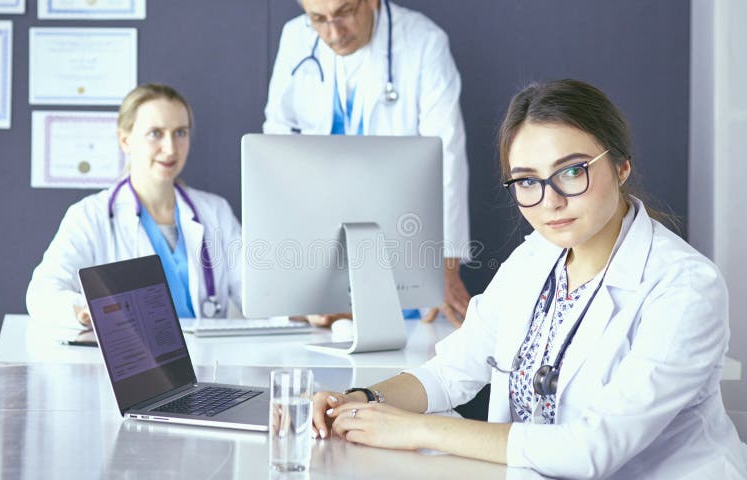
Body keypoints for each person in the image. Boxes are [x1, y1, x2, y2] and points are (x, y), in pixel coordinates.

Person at [309, 79, 747, 479]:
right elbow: (449, 372)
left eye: (572, 171)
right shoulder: (535, 257)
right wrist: (362, 401)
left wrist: (417, 431)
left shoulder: (686, 287)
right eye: (527, 181)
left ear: (621, 166)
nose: (550, 201)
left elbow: (594, 449)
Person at [264, 0, 471, 326]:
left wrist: (443, 266)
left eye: (345, 12)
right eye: (318, 19)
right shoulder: (295, 37)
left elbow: (445, 155)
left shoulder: (423, 41)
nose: (333, 33)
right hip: (320, 235)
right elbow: (275, 143)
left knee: (405, 343)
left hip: (400, 230)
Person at [26, 84, 242, 328]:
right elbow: (42, 294)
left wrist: (287, 313)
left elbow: (255, 291)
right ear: (125, 140)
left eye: (180, 132)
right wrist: (83, 310)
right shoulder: (90, 216)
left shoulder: (215, 212)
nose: (170, 148)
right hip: (137, 361)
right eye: (155, 133)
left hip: (209, 359)